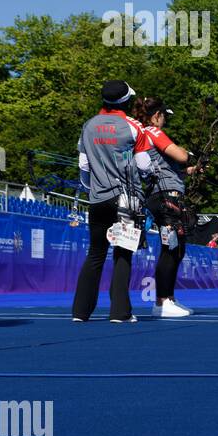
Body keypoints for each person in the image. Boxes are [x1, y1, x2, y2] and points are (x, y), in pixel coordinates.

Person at [72, 81, 153, 323]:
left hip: (98, 199)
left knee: (95, 253)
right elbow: (144, 166)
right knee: (123, 253)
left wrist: (93, 188)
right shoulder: (133, 127)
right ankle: (120, 312)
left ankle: (80, 312)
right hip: (126, 200)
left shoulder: (88, 126)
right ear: (125, 101)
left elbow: (83, 167)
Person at [132, 97, 195, 318]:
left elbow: (173, 168)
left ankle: (168, 299)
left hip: (162, 193)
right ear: (157, 115)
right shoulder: (153, 131)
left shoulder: (143, 134)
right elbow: (181, 155)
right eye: (164, 116)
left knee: (176, 247)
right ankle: (162, 301)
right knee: (172, 248)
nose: (165, 120)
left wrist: (194, 169)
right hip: (166, 196)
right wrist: (187, 154)